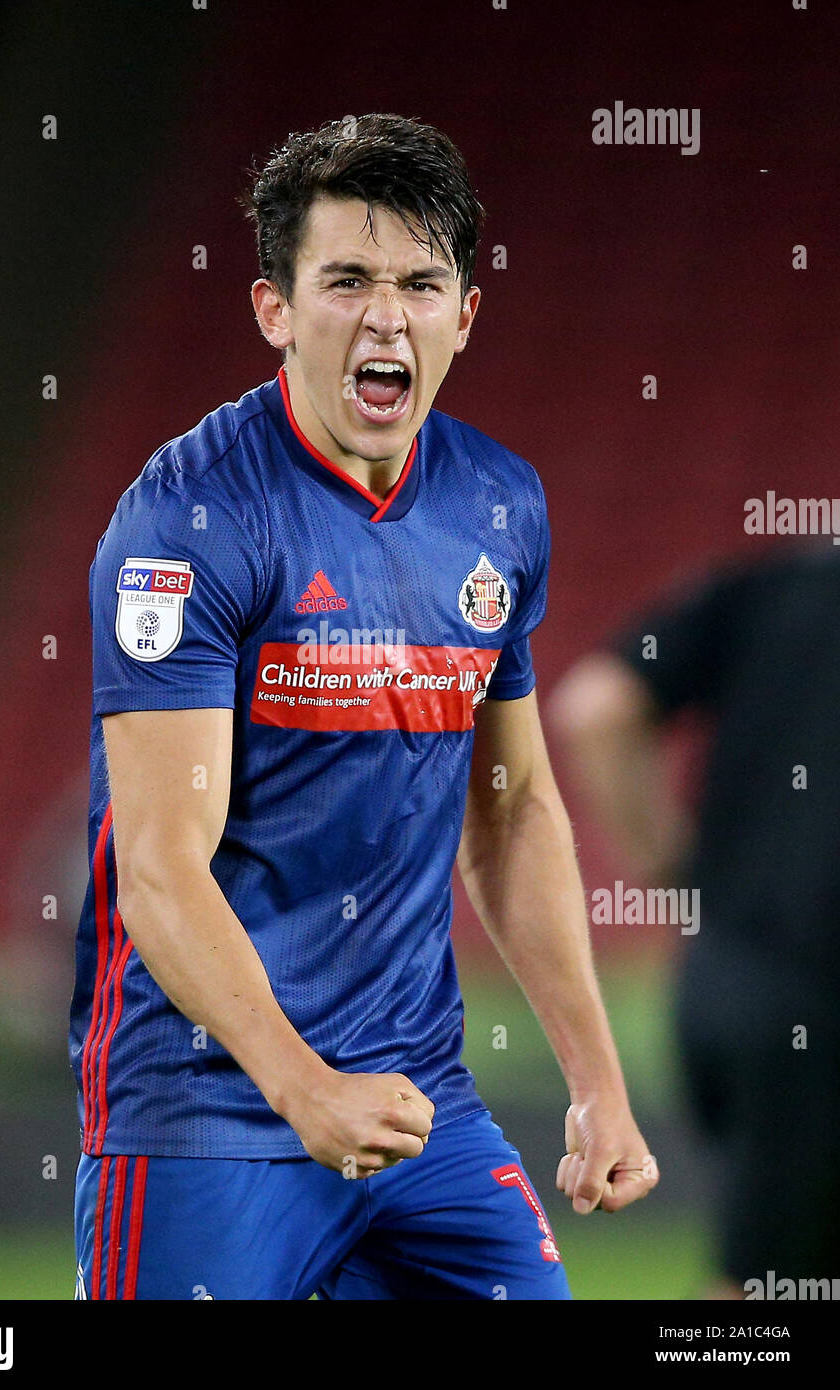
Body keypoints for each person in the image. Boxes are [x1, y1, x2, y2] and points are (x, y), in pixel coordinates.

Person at [69, 113, 657, 1301]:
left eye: (420, 283)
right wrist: (301, 1086)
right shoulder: (188, 525)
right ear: (274, 310)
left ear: (464, 316)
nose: (387, 315)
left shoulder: (499, 505)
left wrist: (597, 1085)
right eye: (346, 279)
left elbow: (515, 811)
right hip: (205, 1108)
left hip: (411, 1101)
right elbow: (161, 871)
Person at [548, 540, 840, 1298]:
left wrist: (673, 873)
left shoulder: (772, 583)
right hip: (812, 999)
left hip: (725, 976)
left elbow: (597, 706)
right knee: (762, 1290)